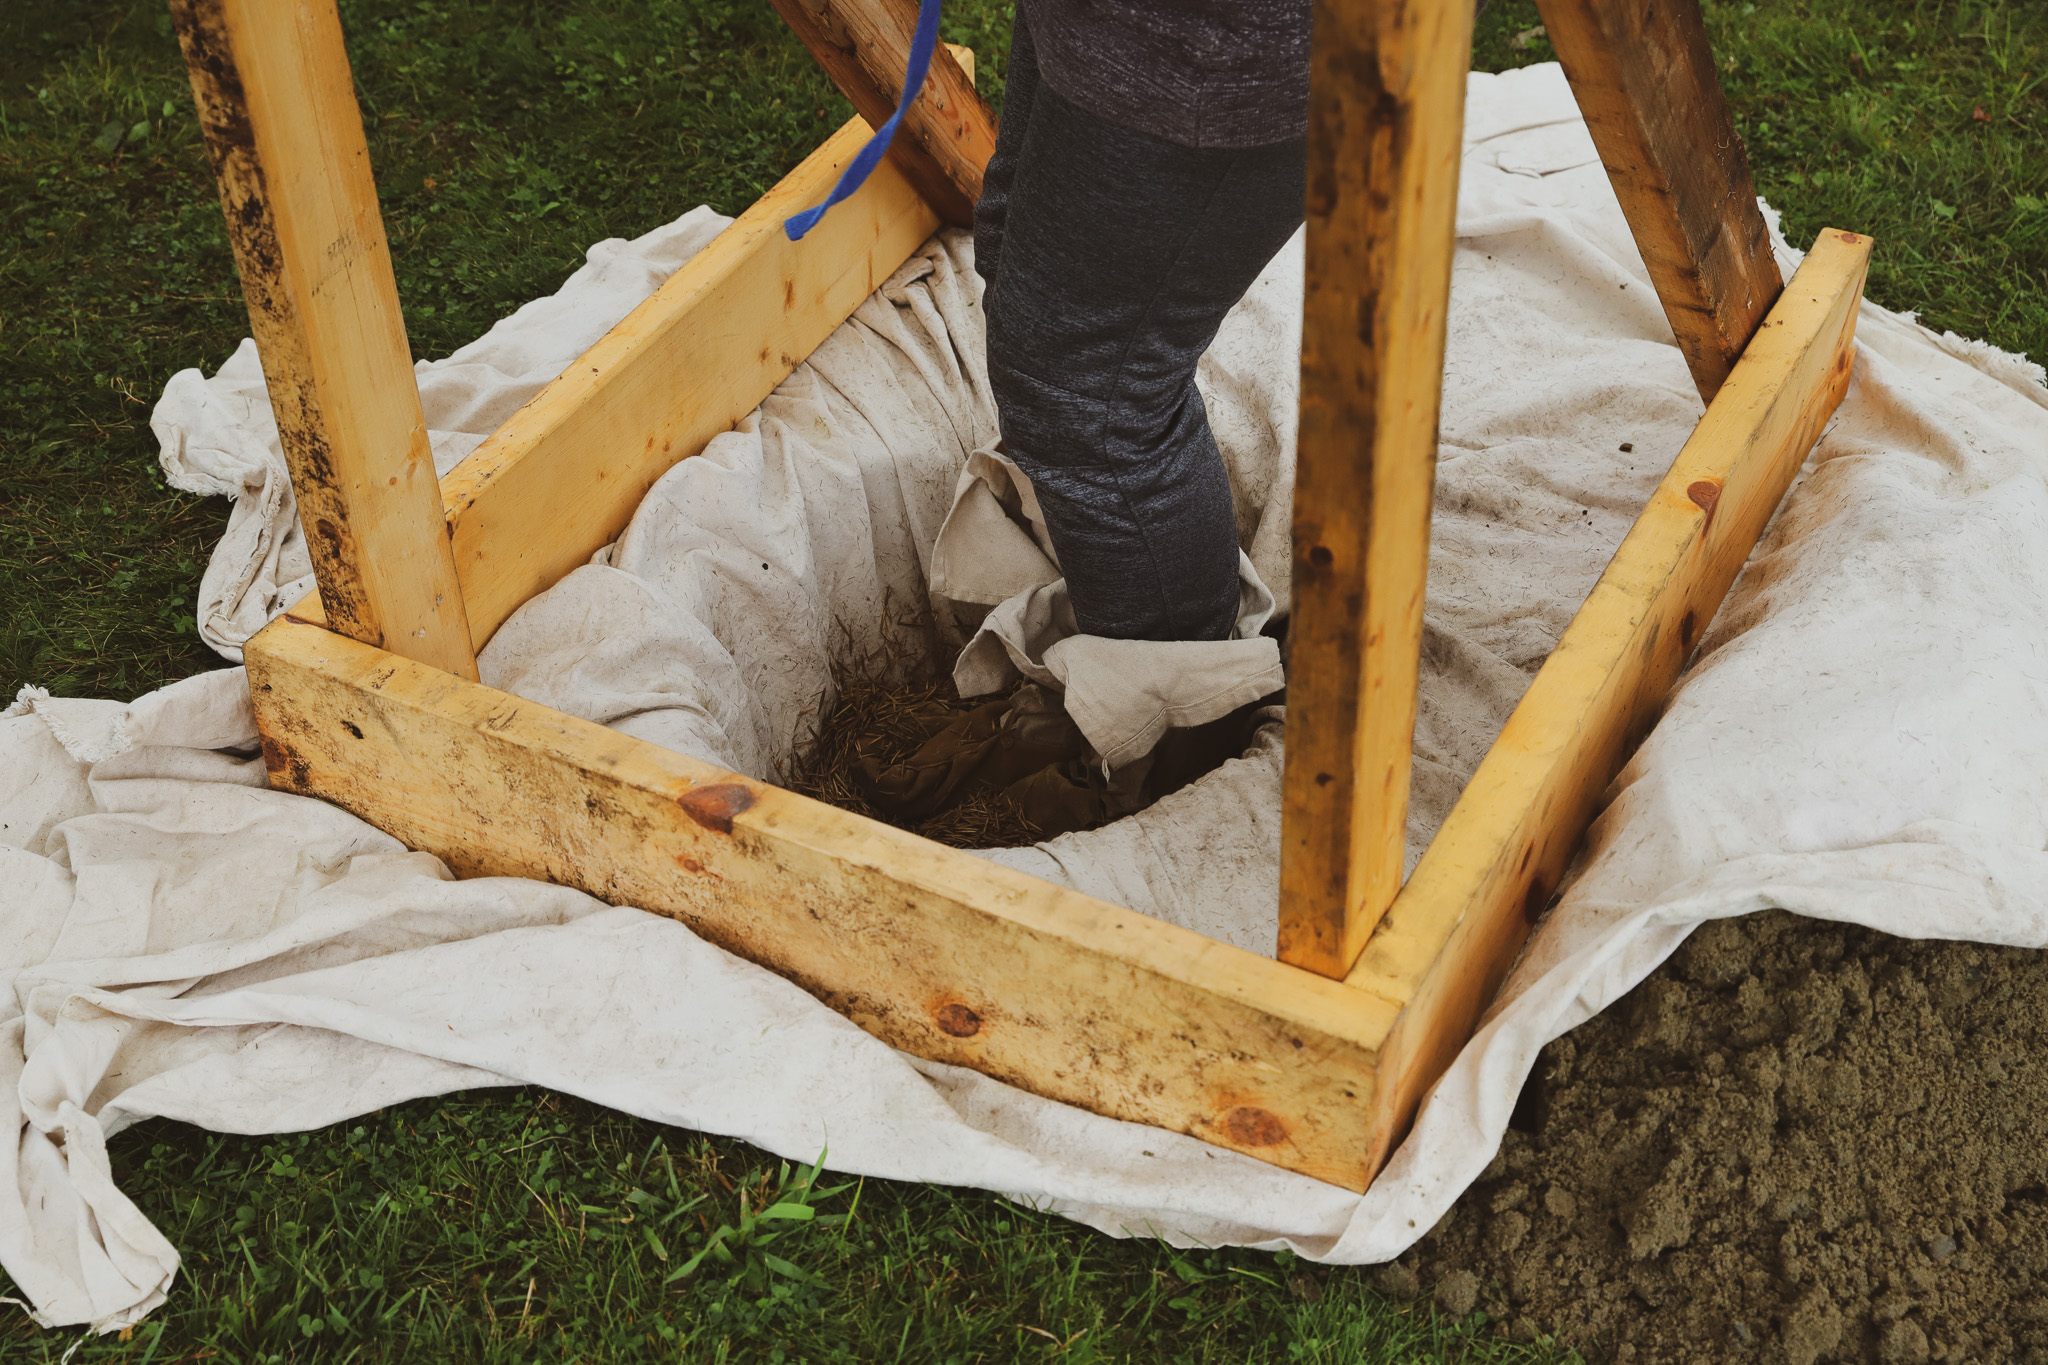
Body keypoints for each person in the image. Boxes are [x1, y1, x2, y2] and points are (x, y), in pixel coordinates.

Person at [972, 1, 1312, 646]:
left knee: (1089, 402)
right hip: (1118, 25)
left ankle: (1172, 719)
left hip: (1225, 47)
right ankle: (1115, 571)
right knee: (1009, 241)